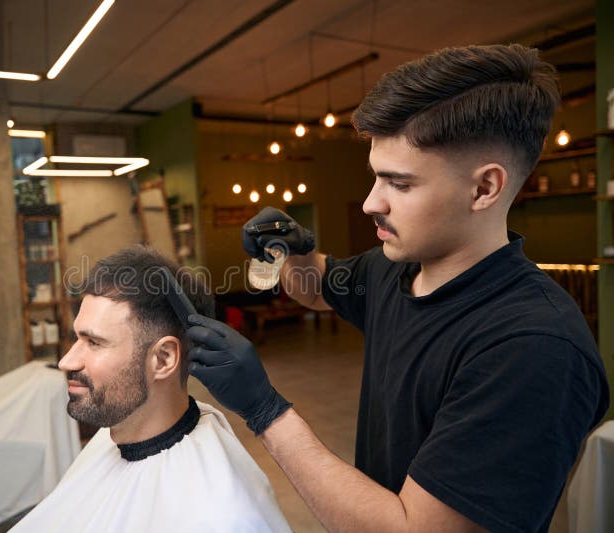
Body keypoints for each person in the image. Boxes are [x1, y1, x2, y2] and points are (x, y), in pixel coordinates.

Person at [187, 44, 610, 533]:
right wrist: (294, 250)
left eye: (399, 184)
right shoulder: (395, 268)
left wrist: (265, 409)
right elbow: (317, 288)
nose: (370, 203)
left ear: (484, 189)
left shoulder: (532, 347)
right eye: (375, 178)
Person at [11, 245, 291, 533]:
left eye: (94, 342)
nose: (66, 361)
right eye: (76, 338)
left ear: (164, 359)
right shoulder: (110, 440)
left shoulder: (219, 518)